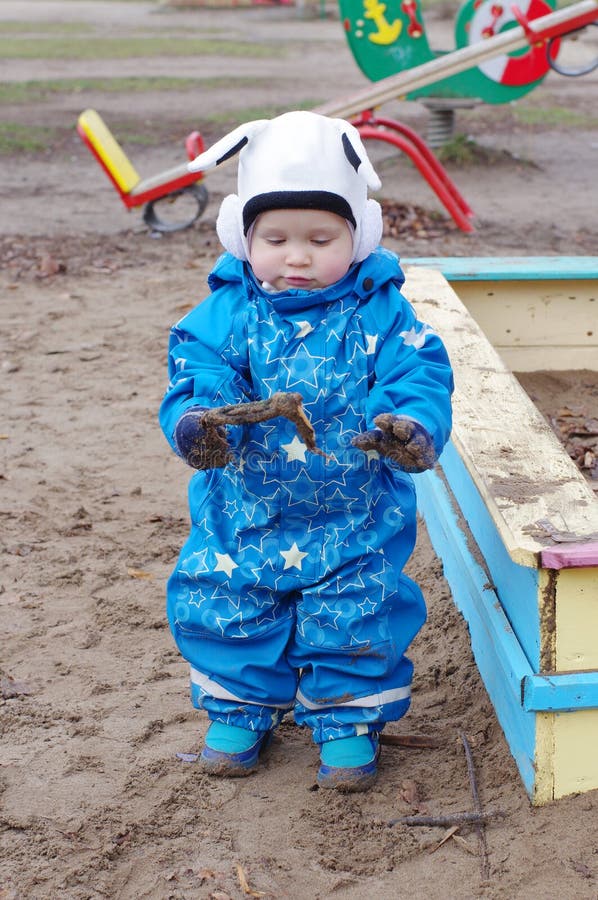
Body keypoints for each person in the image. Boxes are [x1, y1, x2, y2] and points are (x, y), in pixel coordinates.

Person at [159, 110, 453, 792]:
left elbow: (421, 372)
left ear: (358, 233)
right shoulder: (228, 313)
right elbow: (197, 374)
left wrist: (411, 425)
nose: (297, 256)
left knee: (357, 607)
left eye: (321, 238)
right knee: (230, 594)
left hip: (354, 511)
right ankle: (239, 706)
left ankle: (347, 720)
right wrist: (201, 425)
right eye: (277, 238)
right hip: (248, 506)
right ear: (243, 236)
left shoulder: (381, 311)